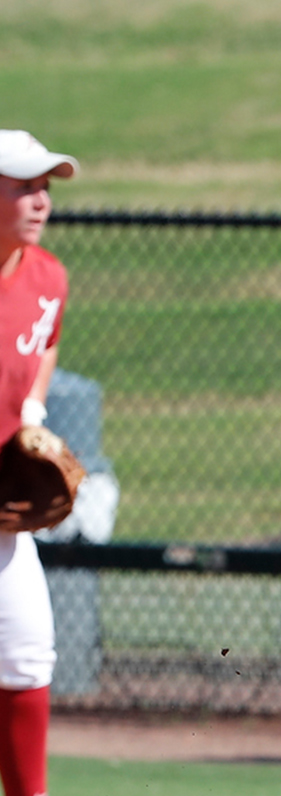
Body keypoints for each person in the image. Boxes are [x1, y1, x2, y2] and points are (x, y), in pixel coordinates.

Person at [0, 129, 79, 796]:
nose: (40, 198)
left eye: (45, 185)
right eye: (23, 184)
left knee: (27, 656)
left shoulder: (47, 276)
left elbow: (43, 341)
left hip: (3, 520)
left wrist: (31, 410)